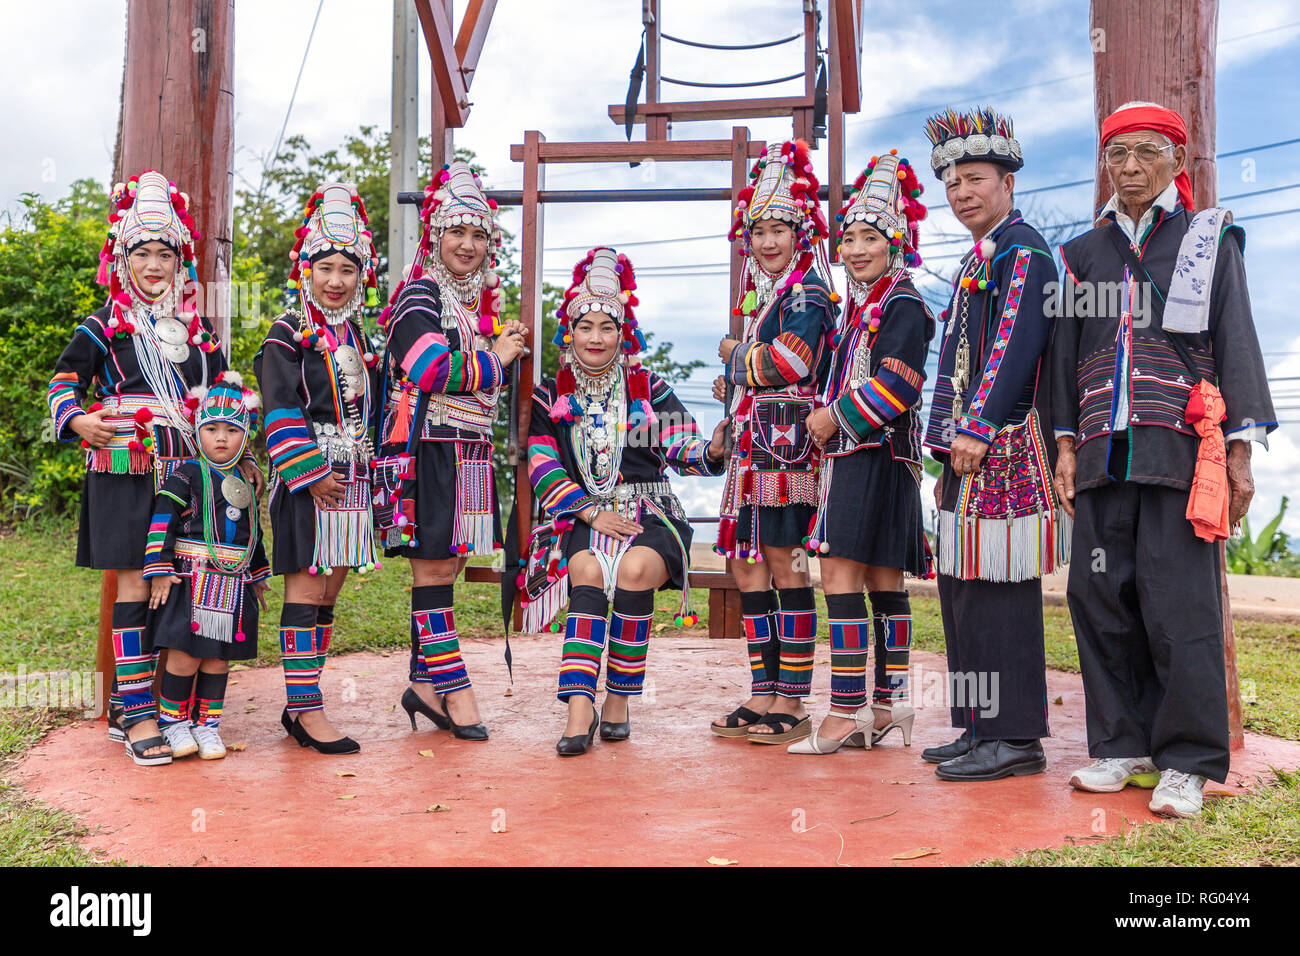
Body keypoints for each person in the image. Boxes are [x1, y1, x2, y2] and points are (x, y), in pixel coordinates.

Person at [1051, 102, 1277, 817]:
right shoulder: (1081, 254)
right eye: (1117, 156)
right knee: (1100, 598)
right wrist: (1061, 442)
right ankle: (1121, 746)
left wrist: (1240, 450)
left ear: (1179, 162)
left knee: (1179, 604)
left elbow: (1235, 340)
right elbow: (1062, 357)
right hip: (1099, 452)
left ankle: (1187, 762)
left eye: (1147, 153)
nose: (1130, 168)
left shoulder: (1208, 241)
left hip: (1179, 448)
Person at [47, 169, 261, 766]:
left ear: (179, 261)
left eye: (163, 253)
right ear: (122, 258)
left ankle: (168, 704)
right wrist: (77, 420)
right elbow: (64, 383)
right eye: (140, 252)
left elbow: (222, 395)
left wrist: (239, 408)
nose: (152, 264)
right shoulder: (100, 327)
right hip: (124, 468)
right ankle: (136, 711)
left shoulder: (200, 333)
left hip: (187, 477)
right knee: (138, 585)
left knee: (178, 587)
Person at [522, 247, 728, 755]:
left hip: (649, 511)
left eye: (606, 328)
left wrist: (713, 448)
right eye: (585, 326)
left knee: (635, 569)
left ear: (623, 333)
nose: (596, 338)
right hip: (583, 513)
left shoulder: (649, 388)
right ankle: (578, 706)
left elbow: (681, 446)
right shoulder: (550, 395)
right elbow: (542, 465)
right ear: (569, 332)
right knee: (588, 569)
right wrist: (591, 512)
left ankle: (618, 697)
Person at [919, 108, 1063, 781]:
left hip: (999, 449)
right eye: (952, 184)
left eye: (975, 178)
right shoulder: (983, 254)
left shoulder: (1024, 251)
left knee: (1000, 589)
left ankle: (1016, 737)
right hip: (965, 453)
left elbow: (1013, 347)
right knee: (962, 588)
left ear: (1008, 182)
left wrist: (975, 426)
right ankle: (979, 728)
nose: (962, 193)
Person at [376, 162, 528, 741]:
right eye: (457, 232)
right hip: (430, 450)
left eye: (479, 235)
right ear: (434, 235)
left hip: (467, 452)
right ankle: (456, 690)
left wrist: (494, 347)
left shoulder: (467, 305)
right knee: (433, 571)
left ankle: (422, 686)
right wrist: (498, 357)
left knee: (450, 566)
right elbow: (429, 367)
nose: (468, 245)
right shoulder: (419, 293)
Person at [792, 150, 935, 755]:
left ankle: (846, 709)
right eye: (847, 238)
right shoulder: (863, 309)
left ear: (895, 242)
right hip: (880, 458)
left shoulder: (901, 305)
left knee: (839, 573)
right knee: (881, 577)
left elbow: (899, 384)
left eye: (869, 237)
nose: (854, 249)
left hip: (868, 451)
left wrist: (832, 418)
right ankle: (889, 704)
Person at [709, 139, 838, 745]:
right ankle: (763, 691)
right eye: (757, 229)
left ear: (800, 232)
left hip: (787, 453)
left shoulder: (809, 293)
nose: (766, 241)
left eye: (779, 228)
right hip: (754, 450)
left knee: (786, 565)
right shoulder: (770, 297)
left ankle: (793, 695)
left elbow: (791, 362)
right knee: (748, 565)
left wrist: (735, 357)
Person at [256, 182, 382, 754]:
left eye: (347, 270)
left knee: (329, 592)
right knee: (305, 589)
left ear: (362, 277)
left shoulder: (361, 336)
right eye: (325, 267)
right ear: (306, 271)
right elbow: (279, 404)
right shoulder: (286, 332)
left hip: (353, 480)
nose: (336, 280)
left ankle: (298, 703)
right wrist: (309, 471)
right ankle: (309, 711)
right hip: (312, 481)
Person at [143, 372, 270, 760]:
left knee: (219, 658)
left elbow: (253, 533)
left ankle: (207, 725)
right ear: (197, 432)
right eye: (211, 428)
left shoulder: (246, 482)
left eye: (231, 430)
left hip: (233, 582)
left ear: (245, 438)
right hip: (188, 579)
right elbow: (162, 520)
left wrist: (259, 575)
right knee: (185, 655)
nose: (220, 437)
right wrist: (160, 568)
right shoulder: (186, 474)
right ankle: (173, 723)